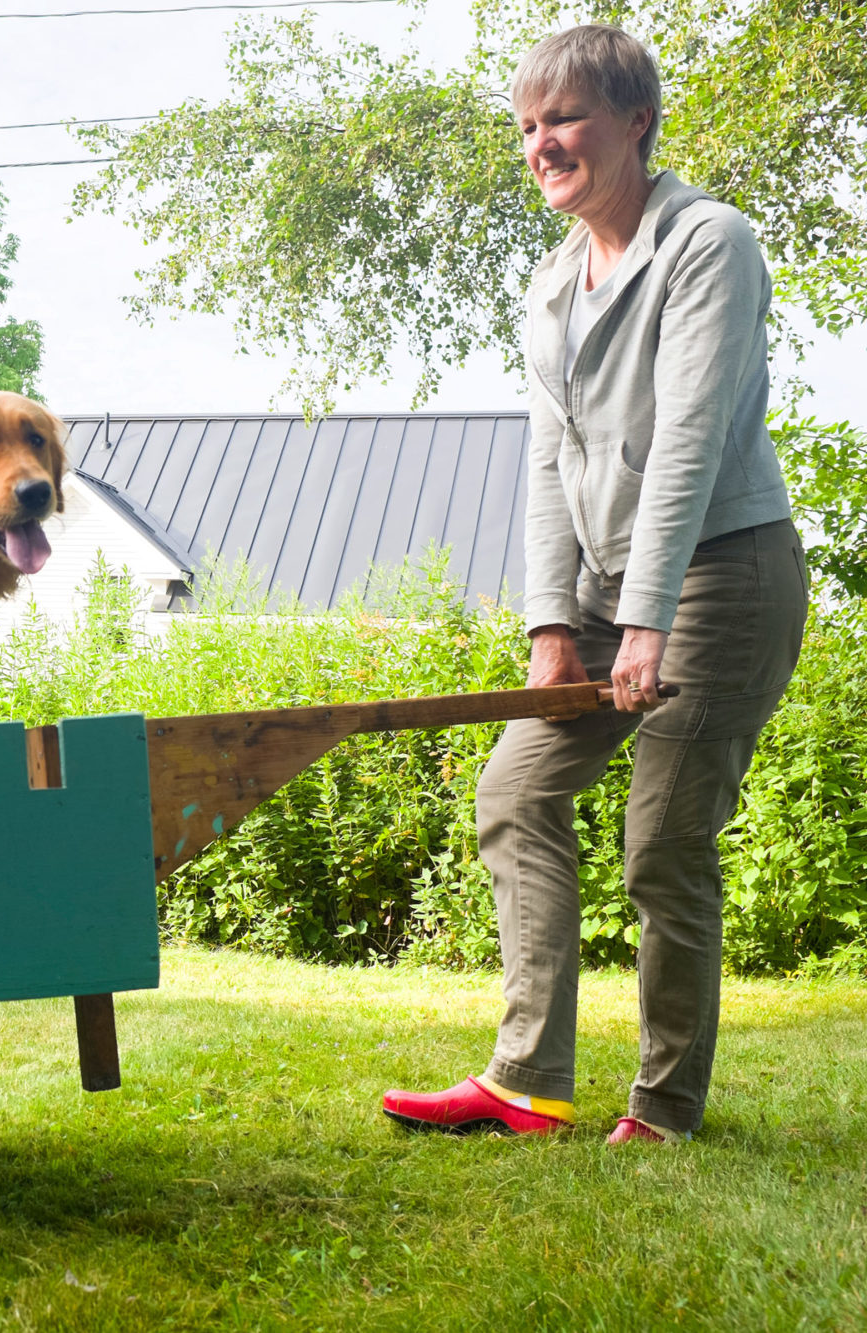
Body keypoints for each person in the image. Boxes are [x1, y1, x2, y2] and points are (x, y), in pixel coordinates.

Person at [382, 24, 807, 1145]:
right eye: (527, 125)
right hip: (609, 593)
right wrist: (549, 623)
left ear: (633, 121)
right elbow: (548, 458)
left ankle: (664, 1104)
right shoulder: (550, 282)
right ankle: (526, 1082)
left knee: (661, 839)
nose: (542, 143)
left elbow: (687, 443)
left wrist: (646, 618)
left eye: (564, 117)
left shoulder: (706, 242)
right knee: (515, 792)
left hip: (723, 574)